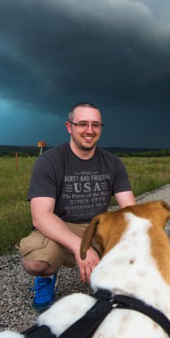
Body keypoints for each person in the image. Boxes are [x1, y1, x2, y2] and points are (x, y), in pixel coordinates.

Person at [18, 102, 135, 311]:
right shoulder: (49, 161)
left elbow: (130, 210)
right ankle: (46, 278)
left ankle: (107, 277)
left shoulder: (113, 163)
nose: (90, 131)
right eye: (82, 124)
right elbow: (41, 216)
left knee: (135, 246)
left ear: (101, 128)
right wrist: (81, 248)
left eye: (95, 125)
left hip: (97, 228)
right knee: (36, 262)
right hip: (60, 227)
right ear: (69, 127)